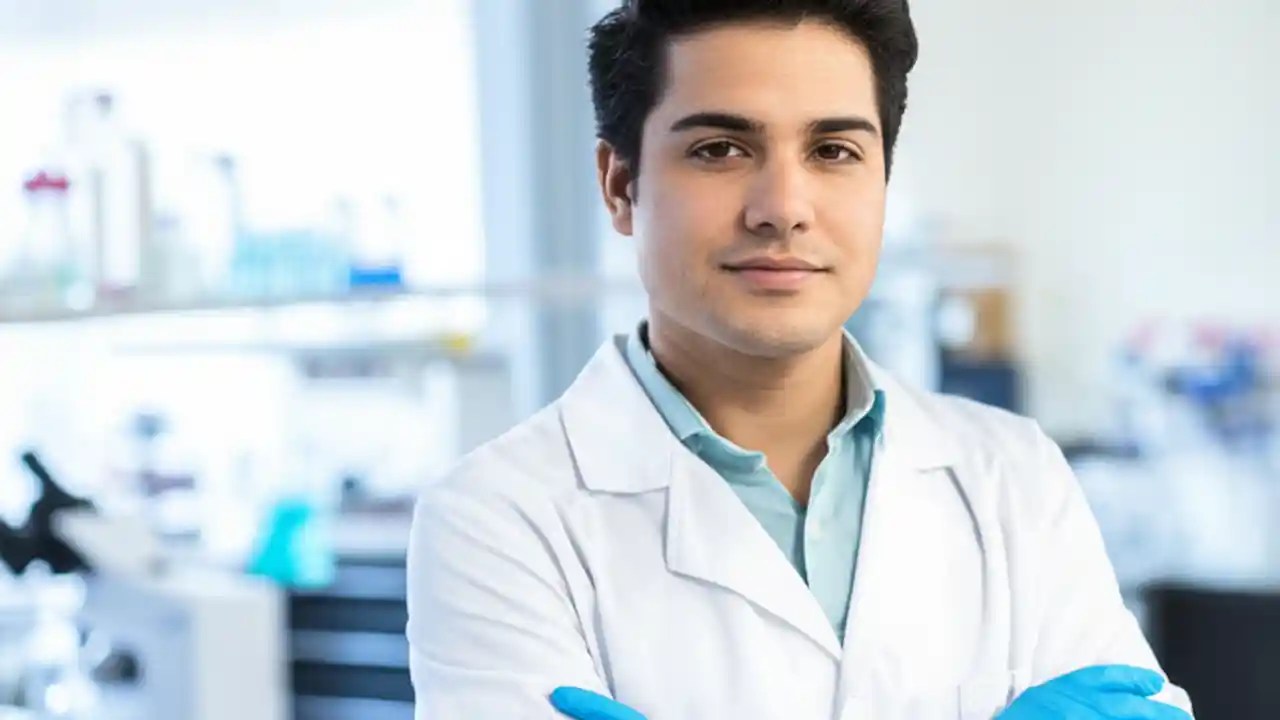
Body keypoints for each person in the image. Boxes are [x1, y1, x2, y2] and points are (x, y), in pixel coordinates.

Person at [406, 1, 1195, 718]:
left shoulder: (1013, 476)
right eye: (720, 149)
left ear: (883, 177)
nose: (783, 207)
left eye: (834, 150)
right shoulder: (496, 518)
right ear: (620, 186)